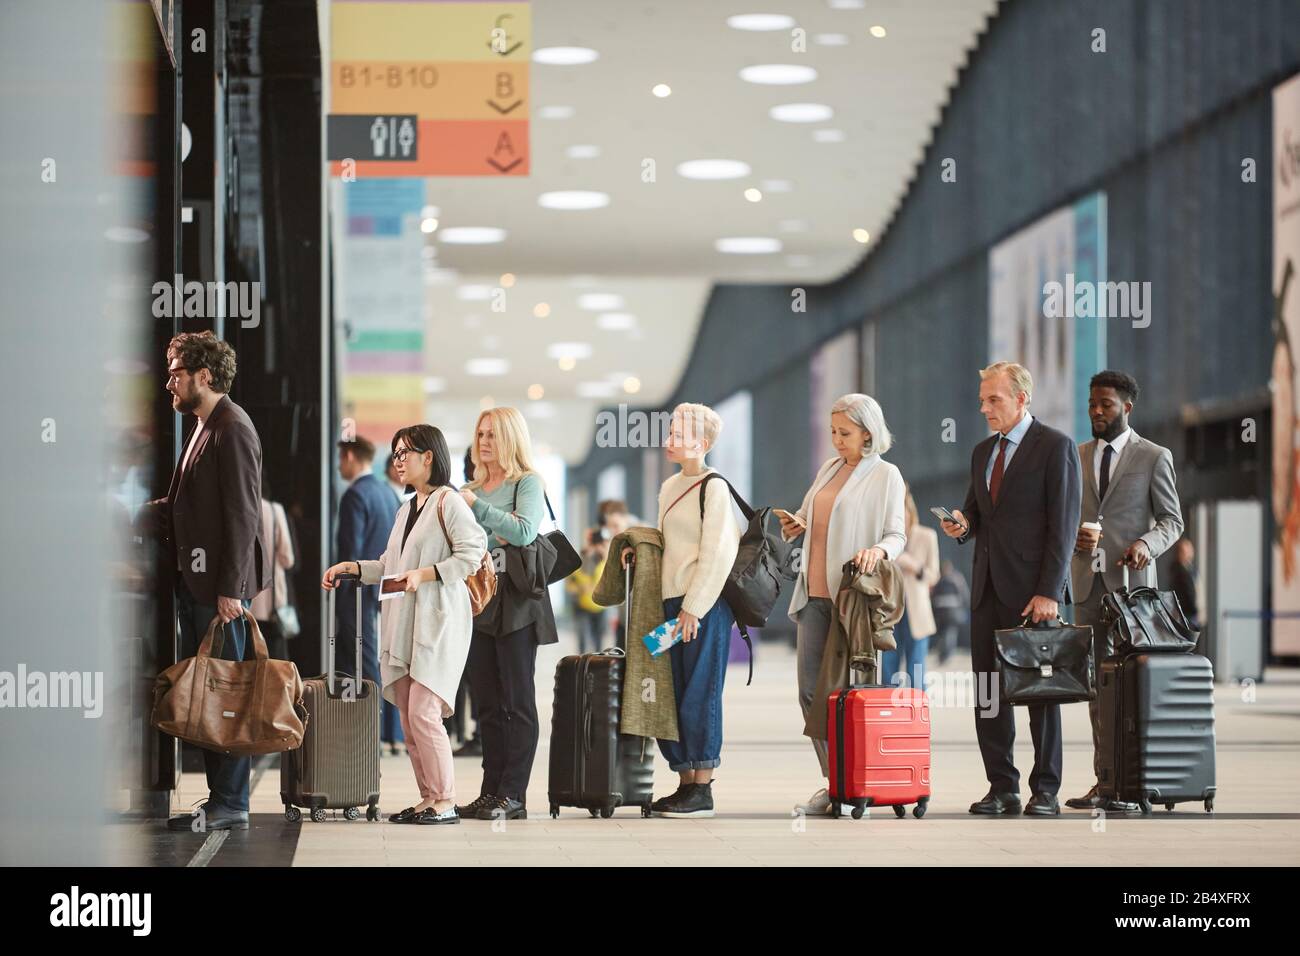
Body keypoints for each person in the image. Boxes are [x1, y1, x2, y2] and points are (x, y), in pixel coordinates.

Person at [321, 425, 487, 825]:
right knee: (411, 717)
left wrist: (426, 574)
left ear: (427, 457)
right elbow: (391, 566)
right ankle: (429, 797)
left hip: (439, 622)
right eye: (394, 454)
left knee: (425, 713)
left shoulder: (449, 502)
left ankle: (445, 801)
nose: (396, 461)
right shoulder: (406, 506)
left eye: (403, 453)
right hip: (407, 623)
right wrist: (354, 568)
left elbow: (474, 551)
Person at [940, 361, 1081, 817]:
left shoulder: (1055, 447)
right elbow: (976, 516)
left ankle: (1046, 790)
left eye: (993, 399)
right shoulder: (982, 452)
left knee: (1040, 695)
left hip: (1032, 595)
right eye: (982, 400)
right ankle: (1002, 787)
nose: (984, 408)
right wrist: (960, 527)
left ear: (1022, 399)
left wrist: (1049, 592)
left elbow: (1062, 527)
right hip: (986, 591)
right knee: (988, 693)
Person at [144, 331, 270, 832]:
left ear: (205, 375)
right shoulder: (205, 425)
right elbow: (184, 506)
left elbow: (242, 514)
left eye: (176, 371)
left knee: (226, 693)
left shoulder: (231, 427)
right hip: (202, 584)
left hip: (218, 592)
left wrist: (231, 590)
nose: (168, 381)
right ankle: (223, 797)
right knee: (214, 691)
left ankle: (231, 803)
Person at [780, 393, 907, 816]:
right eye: (833, 431)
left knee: (852, 694)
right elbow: (810, 514)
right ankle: (836, 782)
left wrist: (877, 551)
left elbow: (897, 535)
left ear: (868, 433)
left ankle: (858, 783)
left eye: (845, 433)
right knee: (810, 692)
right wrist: (795, 524)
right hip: (814, 594)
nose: (836, 440)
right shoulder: (829, 468)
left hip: (852, 599)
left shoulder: (886, 475)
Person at [1064, 370, 1184, 812]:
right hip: (1087, 587)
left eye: (1106, 405)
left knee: (1132, 687)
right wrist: (1073, 536)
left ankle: (1136, 783)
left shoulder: (1154, 456)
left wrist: (1144, 545)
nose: (1096, 411)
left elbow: (1172, 521)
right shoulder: (1074, 456)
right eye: (1092, 404)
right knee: (1097, 689)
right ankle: (1106, 781)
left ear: (1127, 407)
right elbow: (1061, 516)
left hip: (1132, 595)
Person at [637, 403, 741, 818]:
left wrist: (694, 608)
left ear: (703, 442)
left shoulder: (713, 487)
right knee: (673, 692)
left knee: (700, 692)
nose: (670, 440)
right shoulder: (669, 486)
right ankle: (684, 780)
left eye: (679, 433)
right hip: (670, 605)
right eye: (671, 431)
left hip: (703, 606)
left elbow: (718, 552)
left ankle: (703, 787)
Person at [454, 407, 558, 821]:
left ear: (511, 438)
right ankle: (490, 790)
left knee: (517, 701)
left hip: (517, 603)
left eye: (492, 435)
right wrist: (493, 522)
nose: (484, 441)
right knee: (487, 703)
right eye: (480, 434)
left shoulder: (526, 482)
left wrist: (479, 509)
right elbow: (467, 542)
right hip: (478, 600)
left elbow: (523, 531)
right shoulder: (470, 485)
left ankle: (513, 793)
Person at [335, 436, 403, 753]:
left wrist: (343, 582)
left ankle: (366, 733)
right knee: (382, 657)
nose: (339, 466)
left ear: (350, 456)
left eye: (340, 459)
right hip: (385, 589)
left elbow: (351, 550)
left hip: (359, 590)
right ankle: (390, 731)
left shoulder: (355, 495)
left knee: (359, 660)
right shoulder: (387, 493)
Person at [880, 489, 940, 693]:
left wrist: (914, 565)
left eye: (901, 511)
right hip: (889, 612)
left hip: (918, 614)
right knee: (888, 671)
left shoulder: (927, 536)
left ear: (909, 510)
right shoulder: (882, 540)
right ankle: (889, 715)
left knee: (916, 670)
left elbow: (934, 575)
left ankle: (918, 718)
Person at [250, 477, 296, 661]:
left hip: (247, 599)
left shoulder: (242, 509)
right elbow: (288, 559)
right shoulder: (275, 511)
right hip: (272, 600)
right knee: (275, 657)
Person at [566, 527, 608, 654]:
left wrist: (605, 555)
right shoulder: (579, 559)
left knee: (599, 641)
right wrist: (580, 588)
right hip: (581, 605)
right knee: (583, 639)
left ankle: (598, 666)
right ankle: (582, 667)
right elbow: (569, 584)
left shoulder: (604, 559)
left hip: (600, 606)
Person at [930, 560, 970, 664]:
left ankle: (944, 655)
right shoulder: (957, 578)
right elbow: (964, 594)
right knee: (949, 633)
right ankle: (946, 655)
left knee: (944, 634)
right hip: (952, 612)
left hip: (940, 612)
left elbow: (932, 595)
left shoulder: (938, 578)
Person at [1170, 538, 1199, 630]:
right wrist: (1194, 610)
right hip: (1187, 615)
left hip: (1193, 615)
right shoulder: (1179, 571)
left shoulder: (1190, 569)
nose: (1188, 553)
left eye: (1189, 550)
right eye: (1183, 551)